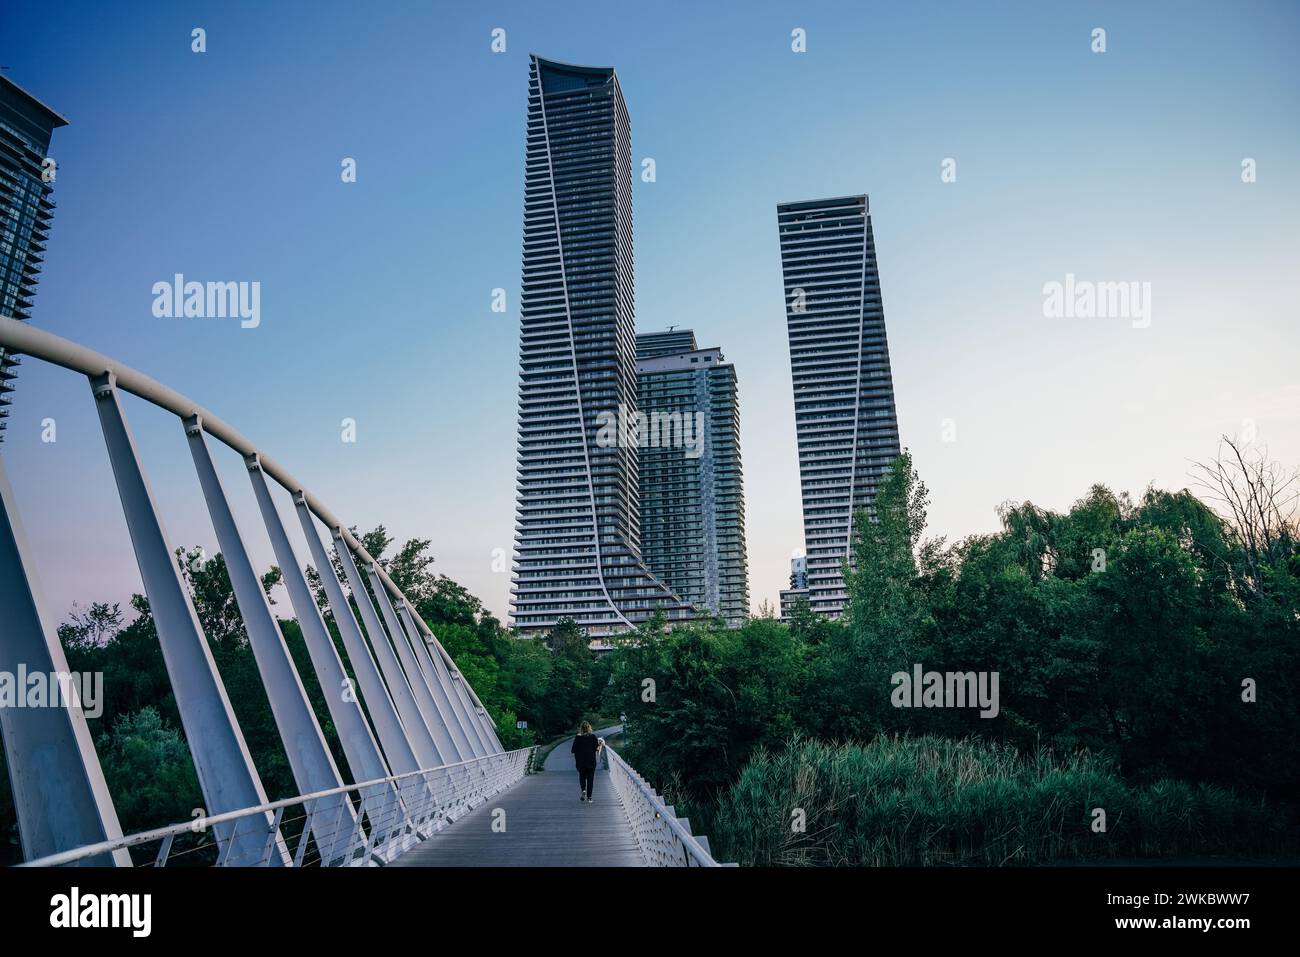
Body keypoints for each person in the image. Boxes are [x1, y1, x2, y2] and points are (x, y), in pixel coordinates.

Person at [570, 721, 604, 802]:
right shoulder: (593, 737)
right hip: (591, 761)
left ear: (581, 728)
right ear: (589, 728)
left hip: (580, 762)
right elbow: (597, 749)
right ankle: (589, 797)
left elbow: (573, 750)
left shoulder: (577, 738)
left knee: (582, 777)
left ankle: (583, 790)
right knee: (590, 779)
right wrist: (599, 744)